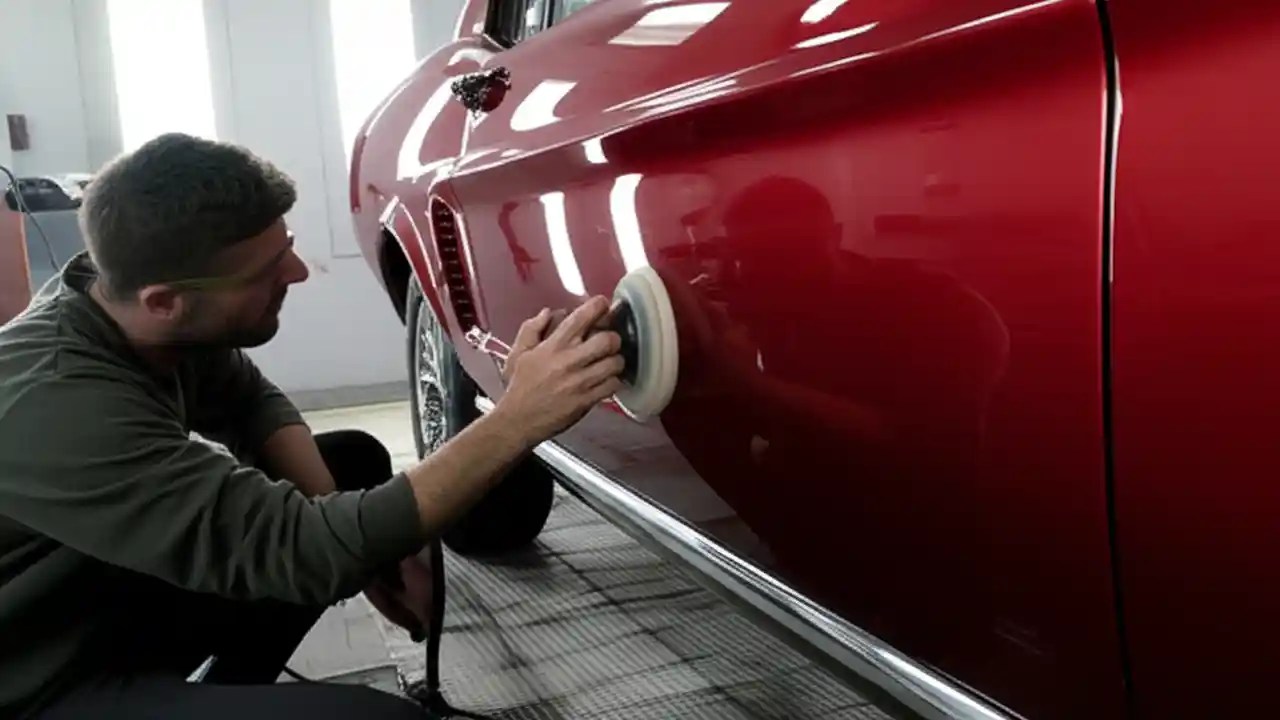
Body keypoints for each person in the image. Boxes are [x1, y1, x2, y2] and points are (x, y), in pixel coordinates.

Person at [0, 133, 625, 719]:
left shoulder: (120, 300)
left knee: (348, 463)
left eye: (287, 244)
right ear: (165, 301)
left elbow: (249, 403)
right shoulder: (56, 402)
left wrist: (363, 543)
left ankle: (224, 693)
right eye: (266, 269)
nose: (298, 272)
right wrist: (519, 418)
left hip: (88, 598)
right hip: (35, 676)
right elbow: (305, 550)